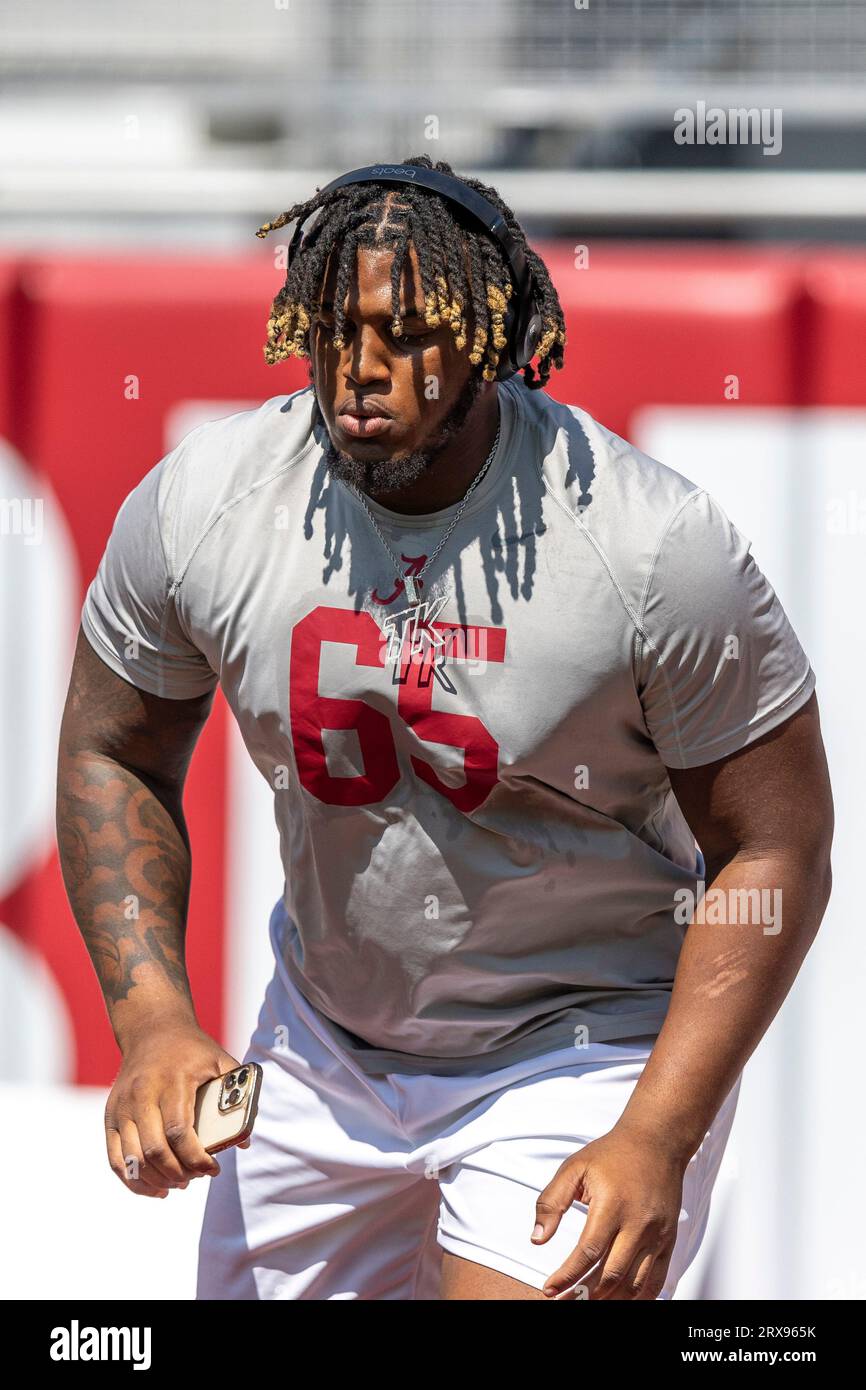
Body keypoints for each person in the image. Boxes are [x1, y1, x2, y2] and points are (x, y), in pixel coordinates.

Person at [56, 155, 833, 1301]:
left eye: (410, 332)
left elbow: (775, 847)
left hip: (578, 1043)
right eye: (333, 328)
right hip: (326, 1040)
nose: (362, 369)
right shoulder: (204, 506)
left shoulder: (645, 544)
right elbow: (111, 750)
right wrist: (155, 1018)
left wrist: (657, 1131)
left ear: (494, 335)